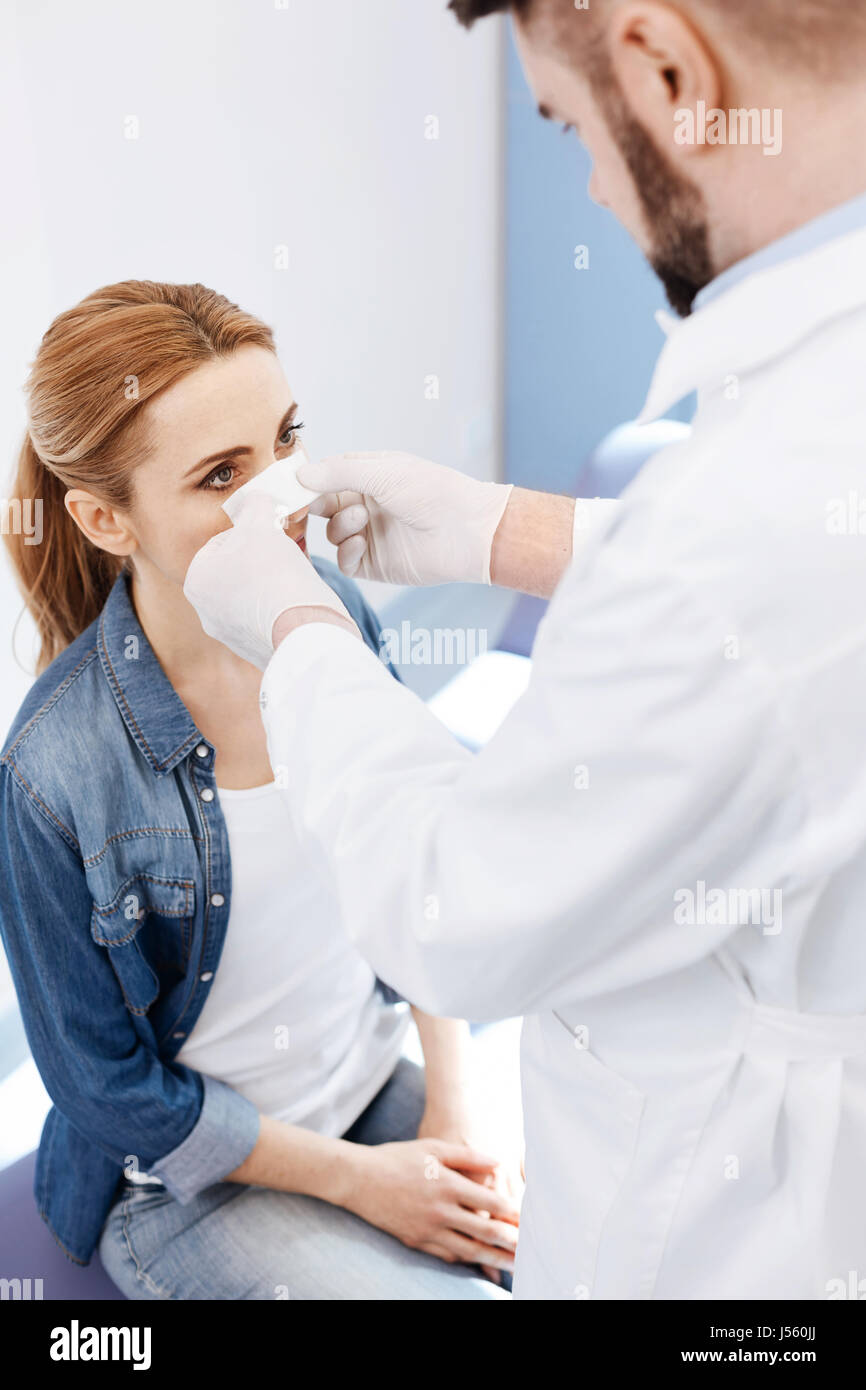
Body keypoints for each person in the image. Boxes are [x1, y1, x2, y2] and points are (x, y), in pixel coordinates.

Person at [182, 0, 866, 1300]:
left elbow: (450, 908)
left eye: (566, 130)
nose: (598, 192)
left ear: (667, 67)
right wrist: (505, 532)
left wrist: (303, 628)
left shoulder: (741, 528)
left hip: (748, 1226)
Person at [0, 279, 520, 1301]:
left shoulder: (329, 618)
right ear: (106, 518)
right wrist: (369, 1185)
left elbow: (409, 853)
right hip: (200, 1190)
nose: (284, 499)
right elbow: (107, 1091)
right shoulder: (53, 770)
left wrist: (452, 1112)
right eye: (221, 474)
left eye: (285, 443)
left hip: (375, 1091)